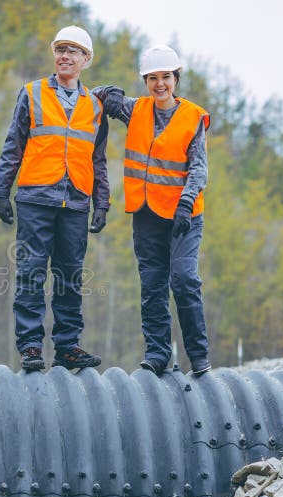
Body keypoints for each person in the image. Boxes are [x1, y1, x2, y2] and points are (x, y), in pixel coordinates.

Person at [0, 25, 110, 372]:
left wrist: (102, 202)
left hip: (75, 201)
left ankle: (67, 346)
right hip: (35, 198)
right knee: (31, 272)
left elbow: (98, 159)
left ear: (86, 59)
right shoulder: (32, 93)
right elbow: (13, 144)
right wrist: (1, 189)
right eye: (60, 49)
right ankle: (30, 346)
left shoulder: (95, 106)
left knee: (70, 276)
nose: (65, 56)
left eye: (73, 51)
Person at [98, 45, 212, 376]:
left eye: (165, 77)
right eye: (152, 78)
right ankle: (158, 353)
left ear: (176, 79)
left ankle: (198, 355)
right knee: (152, 285)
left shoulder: (192, 117)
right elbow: (99, 96)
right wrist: (108, 92)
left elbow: (199, 168)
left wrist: (186, 202)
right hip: (146, 214)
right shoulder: (136, 109)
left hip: (183, 217)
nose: (159, 84)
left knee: (184, 279)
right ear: (145, 81)